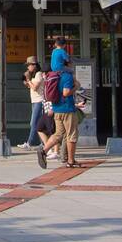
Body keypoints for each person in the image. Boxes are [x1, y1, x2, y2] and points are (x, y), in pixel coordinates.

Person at [48, 36, 82, 168]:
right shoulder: (66, 74)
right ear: (63, 45)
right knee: (71, 134)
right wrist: (76, 86)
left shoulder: (53, 54)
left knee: (58, 134)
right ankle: (71, 160)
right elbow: (66, 92)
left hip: (57, 108)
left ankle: (44, 151)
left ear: (55, 43)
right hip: (67, 109)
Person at [16, 56, 45, 152]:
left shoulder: (39, 74)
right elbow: (31, 87)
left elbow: (35, 88)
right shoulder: (33, 75)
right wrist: (26, 81)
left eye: (29, 65)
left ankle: (29, 143)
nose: (28, 67)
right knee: (38, 123)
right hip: (34, 101)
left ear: (34, 65)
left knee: (33, 123)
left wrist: (28, 80)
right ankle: (43, 143)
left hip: (39, 101)